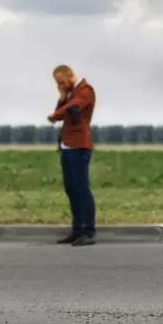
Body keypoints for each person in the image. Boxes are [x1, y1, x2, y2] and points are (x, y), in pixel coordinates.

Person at [47, 64, 97, 246]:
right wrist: (61, 98)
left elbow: (73, 108)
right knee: (71, 189)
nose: (60, 85)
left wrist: (54, 114)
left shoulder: (85, 90)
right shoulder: (70, 94)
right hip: (67, 146)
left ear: (69, 76)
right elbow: (64, 112)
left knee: (82, 189)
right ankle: (77, 229)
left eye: (61, 82)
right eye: (57, 83)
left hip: (79, 146)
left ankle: (88, 230)